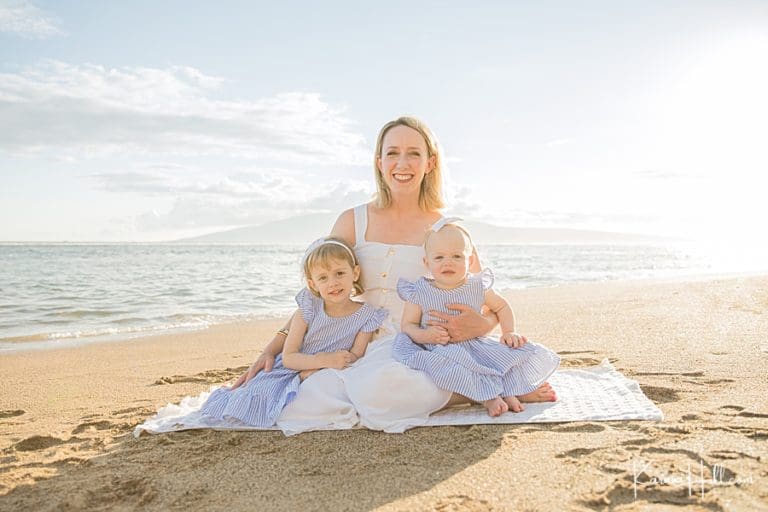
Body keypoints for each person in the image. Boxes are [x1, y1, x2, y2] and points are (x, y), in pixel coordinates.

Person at [232, 116, 556, 435]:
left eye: (414, 153)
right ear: (379, 161)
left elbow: (479, 296)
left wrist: (484, 325)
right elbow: (318, 296)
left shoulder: (446, 229)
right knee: (304, 398)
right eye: (392, 152)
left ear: (430, 162)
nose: (403, 162)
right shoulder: (352, 221)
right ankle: (474, 390)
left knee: (383, 387)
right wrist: (271, 349)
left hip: (423, 345)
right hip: (359, 344)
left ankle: (476, 387)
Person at [199, 237, 386, 428]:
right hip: (292, 368)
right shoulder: (309, 308)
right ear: (313, 284)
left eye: (339, 273)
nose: (333, 283)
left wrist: (324, 368)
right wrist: (321, 362)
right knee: (259, 393)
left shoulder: (368, 315)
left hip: (327, 369)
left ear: (355, 273)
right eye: (323, 278)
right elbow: (289, 357)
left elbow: (355, 355)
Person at [393, 221, 560, 417]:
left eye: (457, 256)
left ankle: (511, 390)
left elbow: (501, 306)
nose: (448, 262)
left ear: (470, 261)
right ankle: (489, 397)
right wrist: (425, 335)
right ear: (427, 263)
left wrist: (509, 332)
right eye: (439, 257)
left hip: (473, 345)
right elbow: (408, 326)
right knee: (455, 369)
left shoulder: (477, 286)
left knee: (508, 356)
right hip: (438, 349)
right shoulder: (419, 291)